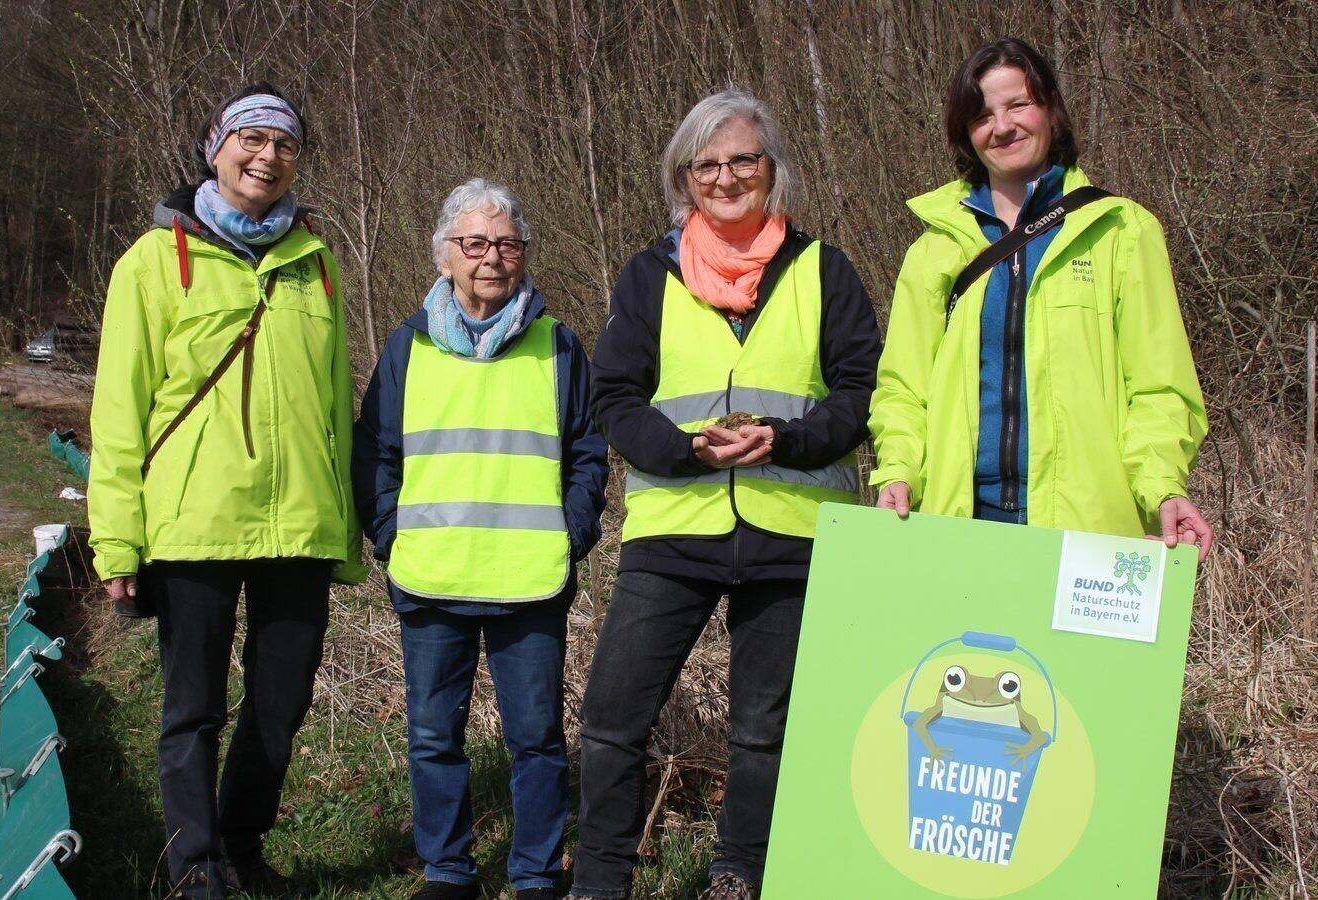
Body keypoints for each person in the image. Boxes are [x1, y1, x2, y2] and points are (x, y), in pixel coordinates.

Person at [569, 89, 882, 900]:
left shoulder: (824, 270)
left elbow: (860, 392)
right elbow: (615, 396)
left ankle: (739, 873)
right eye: (705, 164)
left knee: (765, 730)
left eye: (743, 159)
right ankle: (600, 881)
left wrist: (785, 439)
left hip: (794, 533)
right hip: (674, 529)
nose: (726, 176)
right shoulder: (649, 274)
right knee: (611, 716)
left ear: (773, 169)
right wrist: (683, 451)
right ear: (684, 178)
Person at [87, 83, 366, 900]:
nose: (267, 156)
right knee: (193, 709)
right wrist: (117, 539)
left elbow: (334, 407)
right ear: (216, 148)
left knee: (282, 703)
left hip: (300, 525)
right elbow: (118, 411)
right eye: (251, 138)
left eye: (285, 144)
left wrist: (345, 523)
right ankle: (195, 867)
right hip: (193, 523)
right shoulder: (152, 262)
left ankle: (242, 848)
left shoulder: (316, 263)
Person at [352, 178, 609, 900]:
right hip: (431, 575)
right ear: (444, 256)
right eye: (474, 243)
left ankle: (535, 874)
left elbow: (588, 452)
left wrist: (571, 533)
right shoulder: (406, 348)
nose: (491, 257)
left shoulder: (559, 347)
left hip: (529, 578)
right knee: (436, 737)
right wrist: (391, 535)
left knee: (537, 740)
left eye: (507, 243)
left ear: (524, 255)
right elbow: (375, 451)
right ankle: (448, 870)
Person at [870, 38, 1213, 557]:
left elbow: (1159, 388)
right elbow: (903, 389)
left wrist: (1163, 486)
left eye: (1018, 105)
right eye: (982, 115)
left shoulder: (1122, 231)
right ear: (965, 134)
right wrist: (897, 470)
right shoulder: (933, 251)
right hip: (958, 526)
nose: (1002, 126)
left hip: (1086, 534)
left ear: (1051, 109)